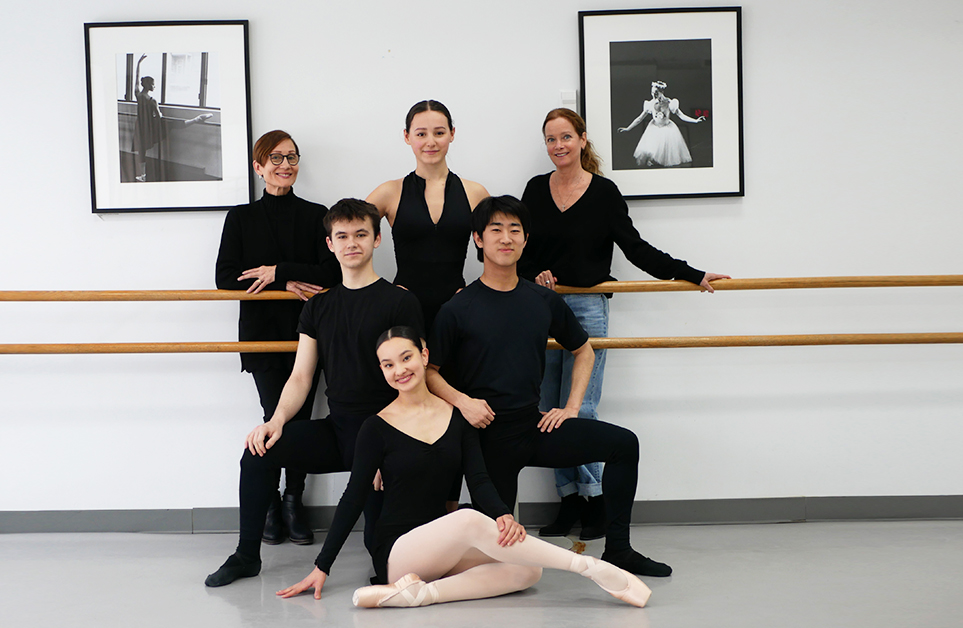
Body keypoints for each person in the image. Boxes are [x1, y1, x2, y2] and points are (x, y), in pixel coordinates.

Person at [275, 326, 651, 609]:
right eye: (388, 365)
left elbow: (480, 479)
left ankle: (420, 595)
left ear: (424, 355)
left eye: (405, 358)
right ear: (382, 371)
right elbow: (353, 497)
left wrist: (503, 515)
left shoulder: (457, 418)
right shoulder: (376, 427)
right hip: (397, 551)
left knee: (526, 570)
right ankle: (589, 569)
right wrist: (321, 566)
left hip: (444, 548)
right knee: (469, 520)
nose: (399, 370)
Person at [426, 195, 673, 578]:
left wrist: (571, 408)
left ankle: (619, 549)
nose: (506, 238)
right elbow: (430, 371)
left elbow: (584, 350)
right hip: (486, 437)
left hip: (533, 426)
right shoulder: (458, 307)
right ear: (478, 239)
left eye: (515, 230)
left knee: (624, 444)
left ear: (526, 240)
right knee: (499, 556)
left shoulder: (541, 299)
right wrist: (463, 402)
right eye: (496, 230)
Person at [520, 108, 730, 539]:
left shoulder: (603, 193)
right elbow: (521, 249)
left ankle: (596, 501)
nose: (557, 146)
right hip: (542, 307)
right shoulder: (535, 190)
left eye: (565, 137)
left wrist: (692, 274)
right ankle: (569, 503)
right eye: (550, 139)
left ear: (581, 139)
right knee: (544, 409)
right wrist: (534, 274)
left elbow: (635, 249)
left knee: (582, 407)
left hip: (588, 308)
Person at [205, 199, 425, 587]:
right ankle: (246, 556)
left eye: (360, 234)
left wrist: (383, 450)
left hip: (384, 436)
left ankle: (385, 554)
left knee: (386, 565)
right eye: (342, 236)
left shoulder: (400, 302)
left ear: (377, 240)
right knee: (259, 451)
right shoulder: (318, 306)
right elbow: (301, 377)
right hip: (339, 431)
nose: (351, 243)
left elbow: (411, 383)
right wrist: (274, 422)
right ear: (330, 244)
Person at [215, 130, 341, 546]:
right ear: (258, 166)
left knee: (302, 420)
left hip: (310, 331)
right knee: (277, 416)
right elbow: (223, 277)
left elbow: (332, 271)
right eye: (275, 158)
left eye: (291, 157)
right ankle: (270, 500)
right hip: (263, 335)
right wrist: (284, 284)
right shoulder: (241, 218)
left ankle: (293, 499)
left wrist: (277, 270)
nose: (284, 165)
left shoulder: (316, 214)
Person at [366, 100, 490, 336]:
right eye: (421, 134)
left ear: (452, 134)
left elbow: (498, 248)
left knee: (453, 374)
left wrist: (478, 292)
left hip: (457, 309)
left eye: (439, 133)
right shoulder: (389, 192)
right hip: (401, 309)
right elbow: (348, 237)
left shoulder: (475, 193)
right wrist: (379, 290)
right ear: (407, 136)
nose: (431, 142)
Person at [131, 53, 212, 182]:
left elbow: (135, 79)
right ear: (148, 85)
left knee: (142, 151)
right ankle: (196, 119)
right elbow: (159, 117)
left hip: (140, 126)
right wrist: (160, 116)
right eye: (153, 84)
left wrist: (138, 64)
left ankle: (143, 175)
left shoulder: (137, 94)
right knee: (171, 123)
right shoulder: (152, 100)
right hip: (150, 126)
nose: (154, 86)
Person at [617, 81, 706, 167]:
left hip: (667, 130)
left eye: (656, 92)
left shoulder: (670, 103)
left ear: (661, 91)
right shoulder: (650, 104)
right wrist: (628, 128)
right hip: (654, 129)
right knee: (651, 152)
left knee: (665, 155)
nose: (653, 95)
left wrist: (695, 120)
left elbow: (681, 116)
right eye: (652, 93)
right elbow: (640, 118)